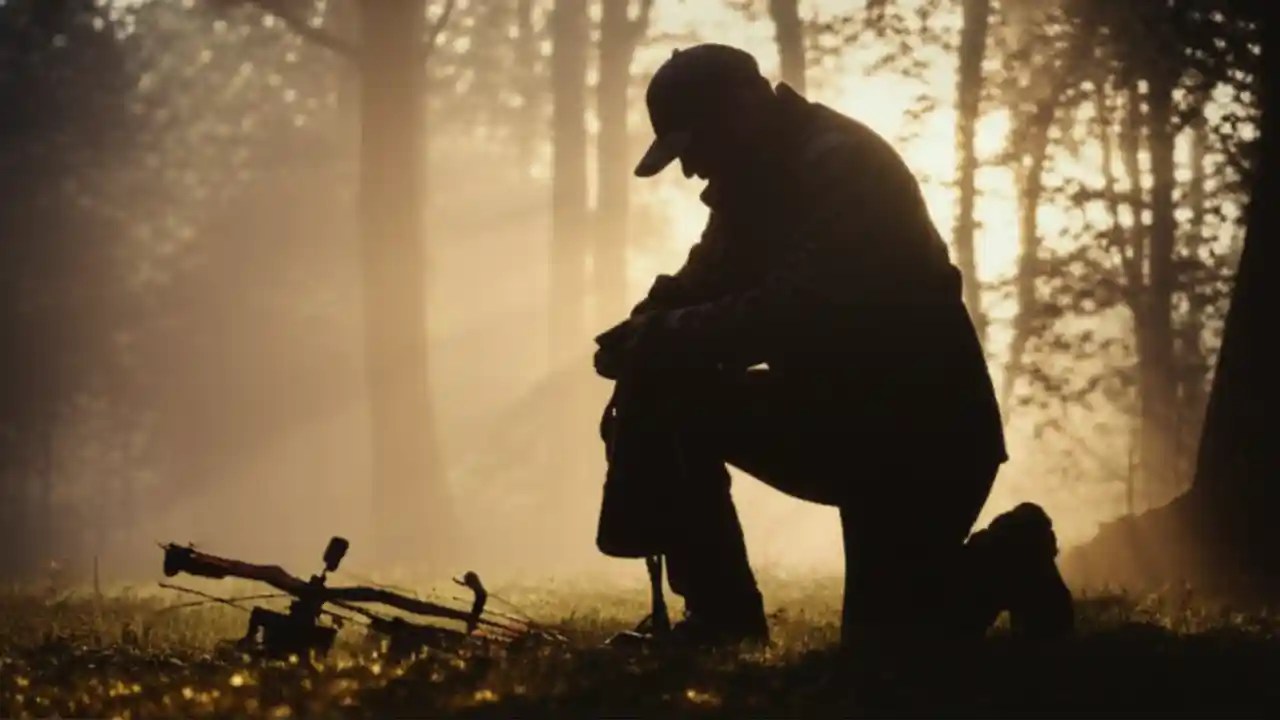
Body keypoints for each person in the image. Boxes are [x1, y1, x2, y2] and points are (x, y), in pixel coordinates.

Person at [592, 44, 1070, 655]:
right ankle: (720, 621)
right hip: (845, 420)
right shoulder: (758, 178)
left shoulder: (843, 169)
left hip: (924, 436)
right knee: (668, 388)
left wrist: (660, 337)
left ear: (737, 111)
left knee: (890, 647)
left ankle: (1011, 555)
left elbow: (796, 309)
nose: (690, 171)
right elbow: (704, 280)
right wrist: (642, 332)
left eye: (693, 146)